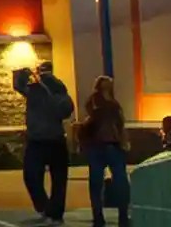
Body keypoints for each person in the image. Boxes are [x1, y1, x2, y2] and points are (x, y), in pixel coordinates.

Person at [14, 61, 74, 225]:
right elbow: (18, 85)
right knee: (31, 176)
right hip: (37, 140)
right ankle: (46, 207)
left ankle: (56, 213)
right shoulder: (34, 91)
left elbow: (65, 111)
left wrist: (51, 97)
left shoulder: (60, 93)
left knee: (59, 180)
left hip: (54, 139)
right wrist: (22, 72)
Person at [79, 76, 130, 227]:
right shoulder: (105, 104)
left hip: (104, 145)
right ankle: (114, 216)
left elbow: (118, 124)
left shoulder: (106, 103)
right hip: (104, 145)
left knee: (103, 182)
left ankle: (106, 217)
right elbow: (116, 122)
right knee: (114, 181)